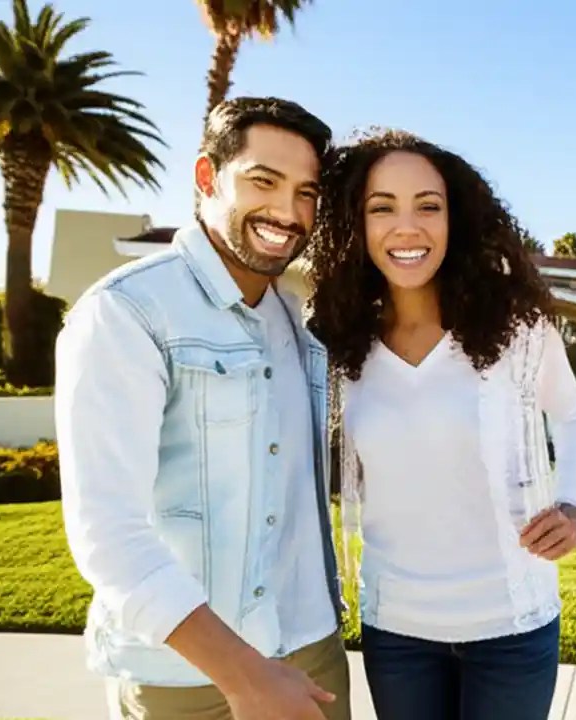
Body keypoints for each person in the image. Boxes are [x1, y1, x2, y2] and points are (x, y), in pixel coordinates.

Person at [54, 96, 351, 720]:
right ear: (207, 177)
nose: (288, 212)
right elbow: (108, 534)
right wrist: (245, 677)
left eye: (306, 192)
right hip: (187, 676)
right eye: (263, 182)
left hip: (313, 653)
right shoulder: (127, 313)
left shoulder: (298, 325)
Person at [305, 128, 576, 720]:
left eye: (428, 207)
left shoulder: (515, 328)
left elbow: (574, 414)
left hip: (511, 626)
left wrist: (571, 505)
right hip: (397, 631)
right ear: (355, 226)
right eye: (381, 207)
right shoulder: (338, 344)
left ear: (454, 220)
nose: (406, 227)